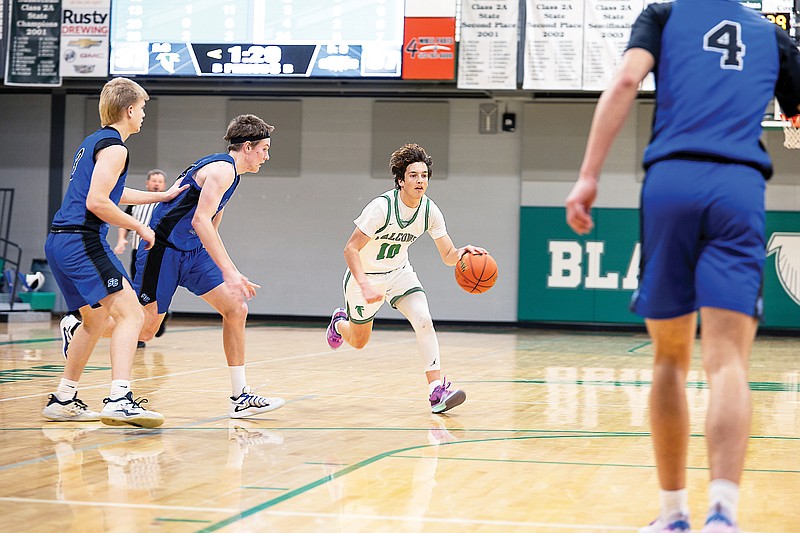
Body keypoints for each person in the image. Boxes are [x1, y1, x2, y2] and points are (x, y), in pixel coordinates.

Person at [565, 3, 800, 533]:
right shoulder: (771, 35)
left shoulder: (664, 15)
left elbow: (626, 81)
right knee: (729, 362)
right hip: (739, 187)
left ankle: (673, 515)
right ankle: (723, 515)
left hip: (672, 181)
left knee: (670, 358)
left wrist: (588, 175)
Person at [42, 77, 186, 428]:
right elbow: (97, 202)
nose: (144, 115)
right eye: (143, 108)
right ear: (130, 109)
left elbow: (112, 193)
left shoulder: (94, 142)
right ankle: (120, 399)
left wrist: (161, 196)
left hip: (60, 241)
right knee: (132, 314)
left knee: (94, 321)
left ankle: (63, 398)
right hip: (82, 240)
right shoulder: (116, 148)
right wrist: (140, 226)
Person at [133, 114, 285, 419]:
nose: (267, 156)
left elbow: (211, 226)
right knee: (146, 330)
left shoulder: (233, 176)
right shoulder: (221, 170)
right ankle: (82, 327)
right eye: (264, 149)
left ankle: (240, 397)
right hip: (163, 250)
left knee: (236, 308)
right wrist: (229, 271)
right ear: (247, 147)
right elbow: (200, 221)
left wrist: (229, 269)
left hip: (192, 252)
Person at [326, 143, 486, 414]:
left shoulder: (429, 211)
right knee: (359, 341)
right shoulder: (381, 207)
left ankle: (436, 391)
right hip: (366, 277)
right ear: (401, 180)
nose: (420, 180)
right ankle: (339, 323)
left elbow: (448, 255)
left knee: (424, 319)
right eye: (413, 175)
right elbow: (350, 249)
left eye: (424, 175)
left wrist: (462, 254)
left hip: (400, 273)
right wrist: (364, 284)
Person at [114, 169, 170, 346]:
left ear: (164, 185)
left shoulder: (168, 203)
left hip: (159, 254)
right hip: (138, 252)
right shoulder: (136, 203)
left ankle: (160, 316)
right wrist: (121, 240)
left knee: (160, 290)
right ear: (147, 183)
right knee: (138, 292)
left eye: (160, 181)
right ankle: (139, 334)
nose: (156, 184)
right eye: (153, 180)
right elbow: (123, 222)